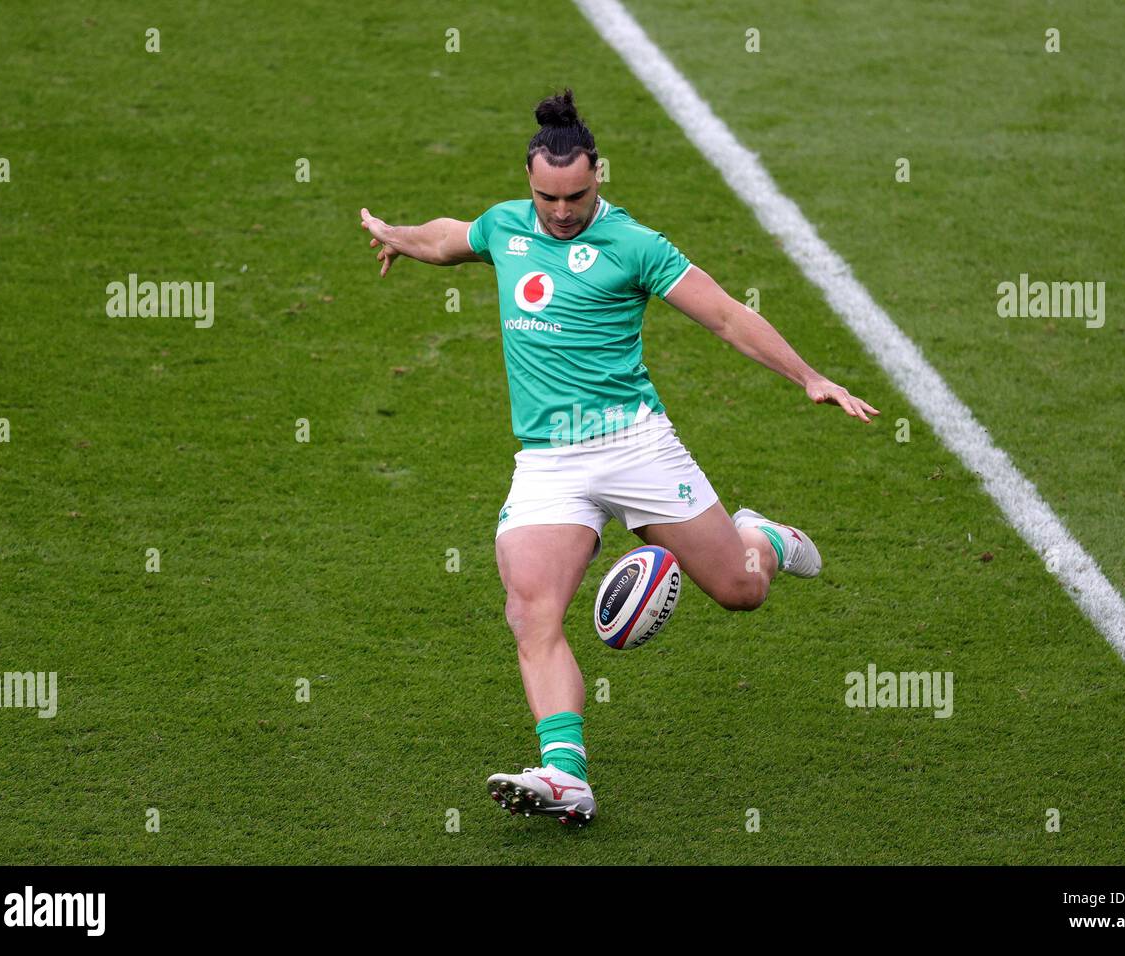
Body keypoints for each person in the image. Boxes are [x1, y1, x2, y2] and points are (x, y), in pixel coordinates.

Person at [359, 89, 878, 827]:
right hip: (549, 461)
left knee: (739, 590)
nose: (561, 211)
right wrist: (397, 235)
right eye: (547, 196)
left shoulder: (635, 245)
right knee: (530, 609)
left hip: (634, 446)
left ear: (599, 175)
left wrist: (810, 377)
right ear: (529, 180)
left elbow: (728, 315)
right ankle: (566, 775)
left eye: (576, 195)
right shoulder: (508, 226)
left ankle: (760, 537)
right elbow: (448, 239)